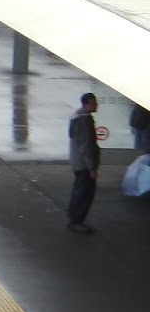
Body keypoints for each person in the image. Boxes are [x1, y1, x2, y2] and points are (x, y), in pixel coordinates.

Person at [66, 92, 102, 233]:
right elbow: (87, 147)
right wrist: (92, 168)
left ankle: (73, 217)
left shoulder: (77, 116)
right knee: (85, 193)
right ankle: (77, 221)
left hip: (77, 162)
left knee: (78, 191)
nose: (96, 105)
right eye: (93, 103)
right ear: (86, 104)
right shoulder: (85, 121)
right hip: (84, 165)